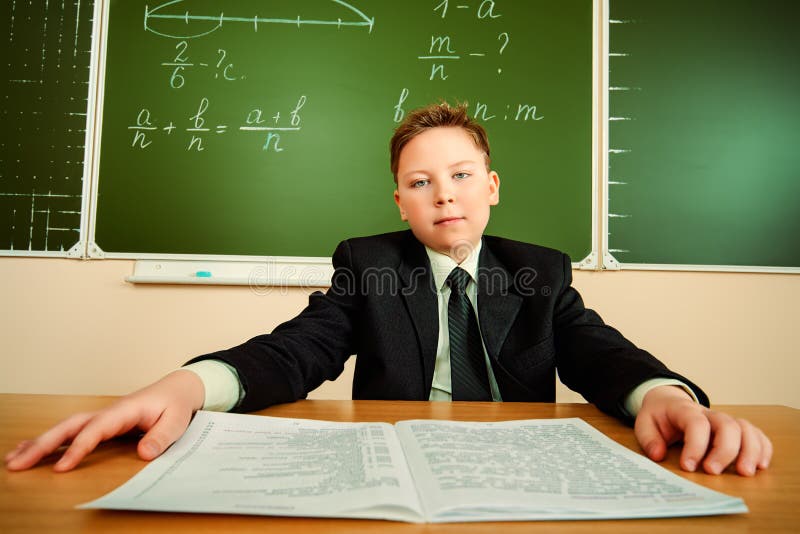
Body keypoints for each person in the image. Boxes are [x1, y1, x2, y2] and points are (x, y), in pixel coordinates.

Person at [5, 102, 771, 477]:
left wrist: (664, 394)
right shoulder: (367, 263)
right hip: (394, 465)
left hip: (522, 471)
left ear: (492, 187)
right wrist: (193, 383)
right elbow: (299, 349)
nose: (445, 194)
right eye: (420, 181)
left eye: (462, 175)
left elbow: (598, 351)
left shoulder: (540, 268)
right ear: (399, 203)